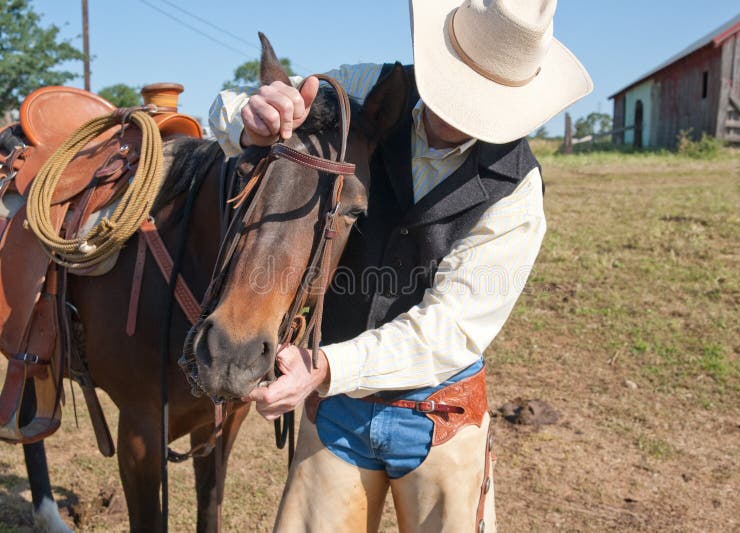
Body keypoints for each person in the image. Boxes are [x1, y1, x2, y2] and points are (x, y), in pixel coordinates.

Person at [209, 0, 591, 530]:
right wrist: (255, 119)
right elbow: (236, 112)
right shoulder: (360, 92)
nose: (453, 111)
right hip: (338, 407)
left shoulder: (516, 191)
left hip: (439, 412)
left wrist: (325, 368)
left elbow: (448, 329)